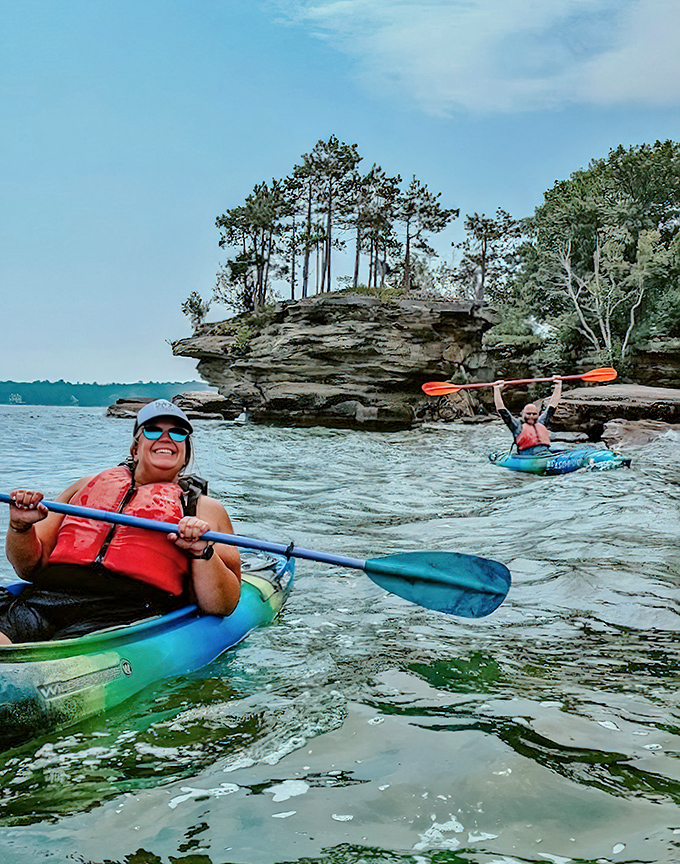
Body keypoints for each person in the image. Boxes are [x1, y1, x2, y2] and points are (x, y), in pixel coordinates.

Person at [2, 399, 241, 645]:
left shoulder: (202, 509)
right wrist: (20, 528)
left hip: (125, 612)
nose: (166, 438)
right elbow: (28, 568)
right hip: (46, 599)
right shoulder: (84, 487)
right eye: (153, 430)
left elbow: (223, 604)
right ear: (135, 449)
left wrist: (202, 551)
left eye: (178, 433)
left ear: (185, 454)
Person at [493, 376, 563, 454]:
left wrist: (558, 385)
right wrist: (496, 389)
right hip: (526, 457)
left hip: (544, 454)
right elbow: (501, 409)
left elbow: (552, 405)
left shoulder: (541, 422)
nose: (531, 416)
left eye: (534, 414)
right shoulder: (516, 425)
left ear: (538, 414)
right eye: (528, 414)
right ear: (523, 414)